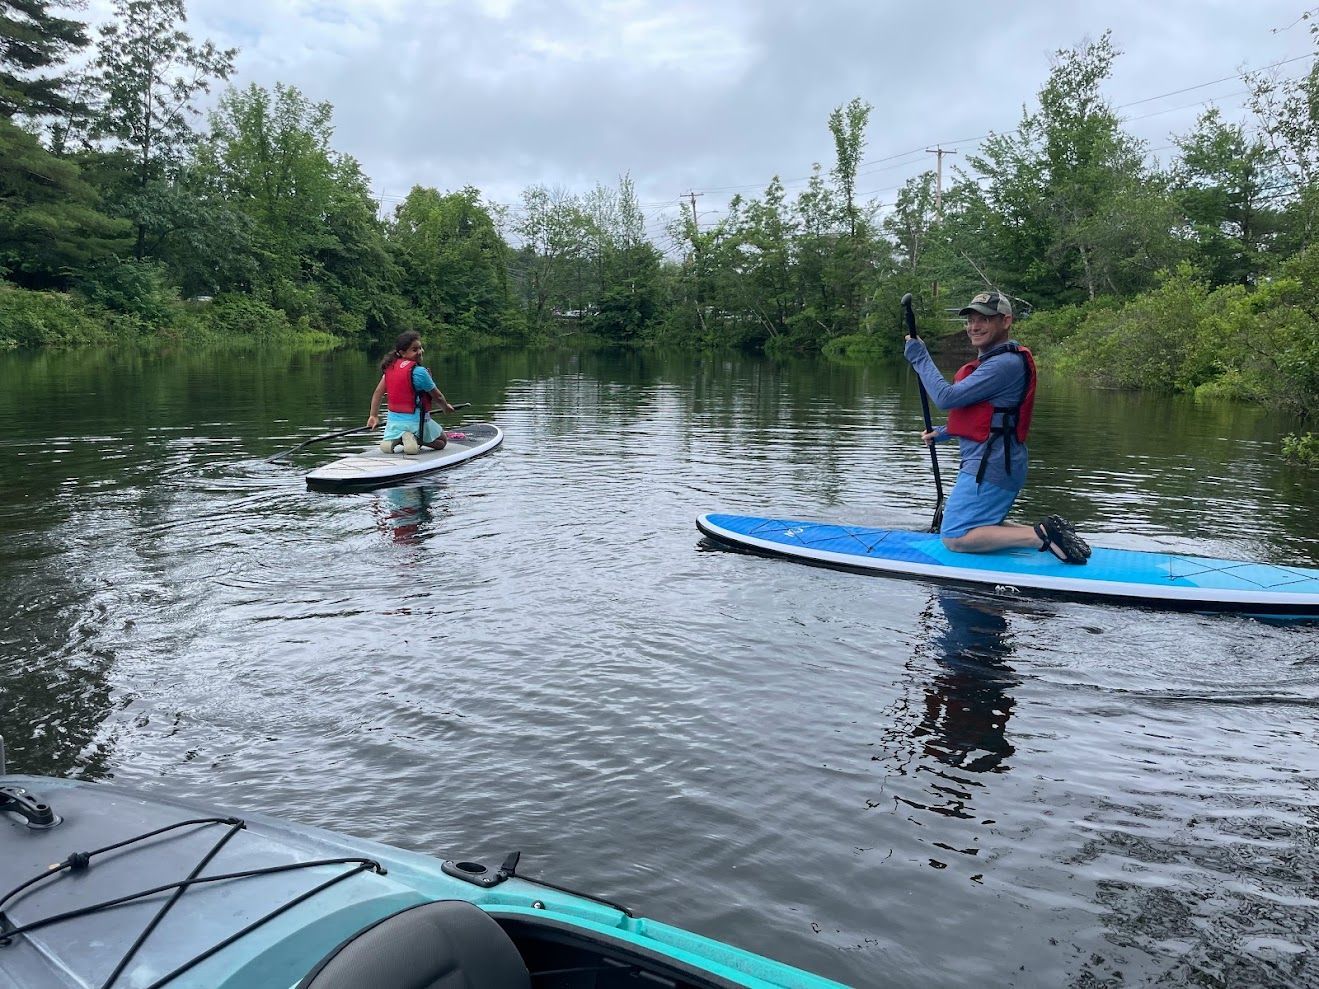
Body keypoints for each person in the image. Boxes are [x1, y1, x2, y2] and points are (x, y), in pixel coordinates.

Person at [904, 290, 1091, 564]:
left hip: (991, 465)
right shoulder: (996, 362)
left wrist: (920, 357)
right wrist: (944, 432)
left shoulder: (1003, 365)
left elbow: (946, 398)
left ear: (1005, 321)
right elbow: (990, 415)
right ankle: (1051, 535)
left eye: (984, 320)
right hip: (997, 461)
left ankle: (1040, 537)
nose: (973, 327)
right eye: (970, 320)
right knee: (975, 526)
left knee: (955, 535)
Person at [366, 331, 457, 455]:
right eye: (414, 350)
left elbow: (377, 393)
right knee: (442, 441)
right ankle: (415, 438)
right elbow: (438, 396)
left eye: (420, 348)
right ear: (402, 353)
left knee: (399, 430)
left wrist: (374, 416)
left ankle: (395, 439)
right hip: (416, 423)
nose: (420, 351)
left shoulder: (390, 368)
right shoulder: (420, 372)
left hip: (393, 424)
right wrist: (445, 408)